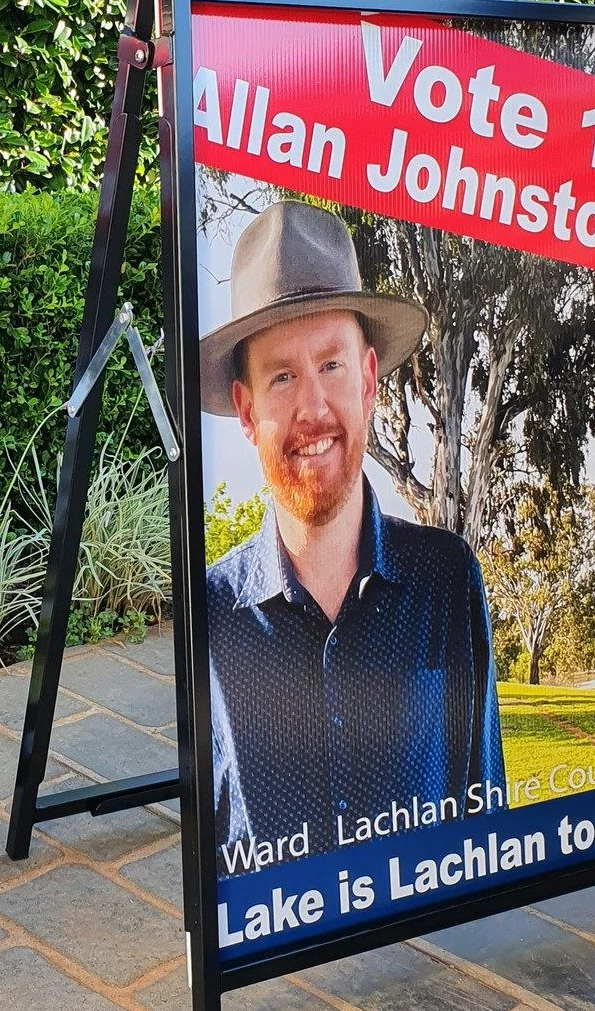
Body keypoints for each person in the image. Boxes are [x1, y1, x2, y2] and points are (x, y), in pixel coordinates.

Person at [201, 199, 505, 858]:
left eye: (331, 365)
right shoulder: (210, 614)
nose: (313, 408)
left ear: (368, 380)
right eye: (282, 376)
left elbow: (484, 814)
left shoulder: (447, 577)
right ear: (247, 412)